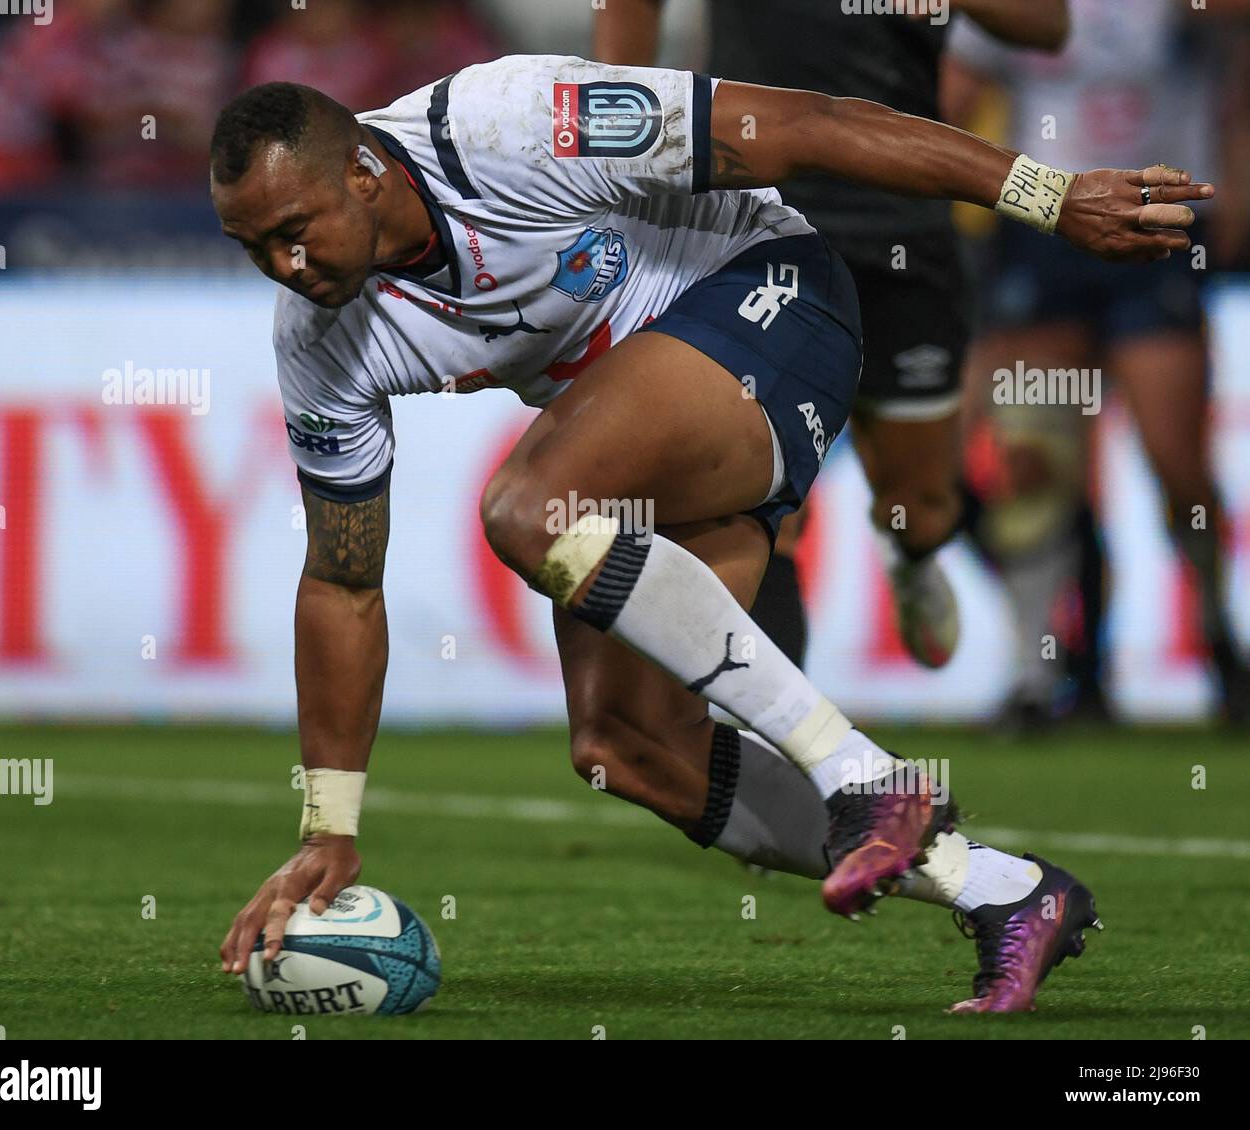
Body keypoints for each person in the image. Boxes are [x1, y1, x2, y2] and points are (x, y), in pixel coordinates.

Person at [208, 57, 1207, 1010]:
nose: (284, 267)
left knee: (528, 506)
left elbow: (811, 128)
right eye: (255, 249)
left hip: (771, 302)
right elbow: (342, 582)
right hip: (651, 438)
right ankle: (999, 889)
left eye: (295, 229)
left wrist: (1047, 194)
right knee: (627, 747)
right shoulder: (319, 344)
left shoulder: (509, 125)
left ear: (366, 170)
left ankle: (863, 774)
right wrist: (327, 824)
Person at [593, 0, 1070, 674]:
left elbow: (1047, 25)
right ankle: (769, 752)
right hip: (762, 211)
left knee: (923, 505)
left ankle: (913, 552)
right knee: (764, 511)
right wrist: (619, 139)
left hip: (903, 219)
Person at [944, 0, 1250, 725]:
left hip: (1164, 216)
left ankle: (1216, 630)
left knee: (1176, 458)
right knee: (1032, 457)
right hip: (1047, 223)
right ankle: (1040, 665)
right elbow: (958, 92)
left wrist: (1236, 164)